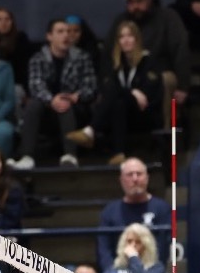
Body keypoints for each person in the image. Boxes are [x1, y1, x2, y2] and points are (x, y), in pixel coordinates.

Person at [70, 20, 164, 166]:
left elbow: (148, 96)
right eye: (121, 37)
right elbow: (107, 89)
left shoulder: (149, 61)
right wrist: (132, 92)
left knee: (117, 95)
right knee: (118, 102)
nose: (125, 40)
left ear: (137, 39)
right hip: (119, 114)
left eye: (129, 36)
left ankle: (90, 130)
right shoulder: (113, 64)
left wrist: (131, 94)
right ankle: (119, 154)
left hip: (144, 114)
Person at [14, 18, 96, 171]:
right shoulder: (38, 58)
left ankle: (70, 156)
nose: (66, 36)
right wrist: (52, 100)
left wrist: (75, 96)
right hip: (47, 111)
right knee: (33, 104)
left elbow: (90, 86)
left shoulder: (82, 57)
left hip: (76, 110)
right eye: (60, 32)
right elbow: (35, 86)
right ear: (49, 36)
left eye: (68, 32)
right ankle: (27, 157)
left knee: (65, 104)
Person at [108, 0, 191, 105]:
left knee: (166, 80)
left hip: (160, 72)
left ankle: (169, 124)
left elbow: (180, 50)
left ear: (149, 0)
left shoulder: (168, 18)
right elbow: (108, 53)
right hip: (129, 74)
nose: (135, 6)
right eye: (131, 2)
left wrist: (183, 86)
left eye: (139, 1)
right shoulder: (121, 21)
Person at [97, 157, 172, 273]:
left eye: (139, 174)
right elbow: (104, 249)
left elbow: (164, 247)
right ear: (121, 180)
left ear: (147, 178)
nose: (135, 179)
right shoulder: (110, 211)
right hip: (119, 272)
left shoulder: (162, 208)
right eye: (130, 174)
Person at [100, 222, 169, 273]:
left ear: (146, 245)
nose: (132, 245)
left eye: (138, 242)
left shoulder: (156, 268)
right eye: (129, 241)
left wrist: (133, 257)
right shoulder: (116, 267)